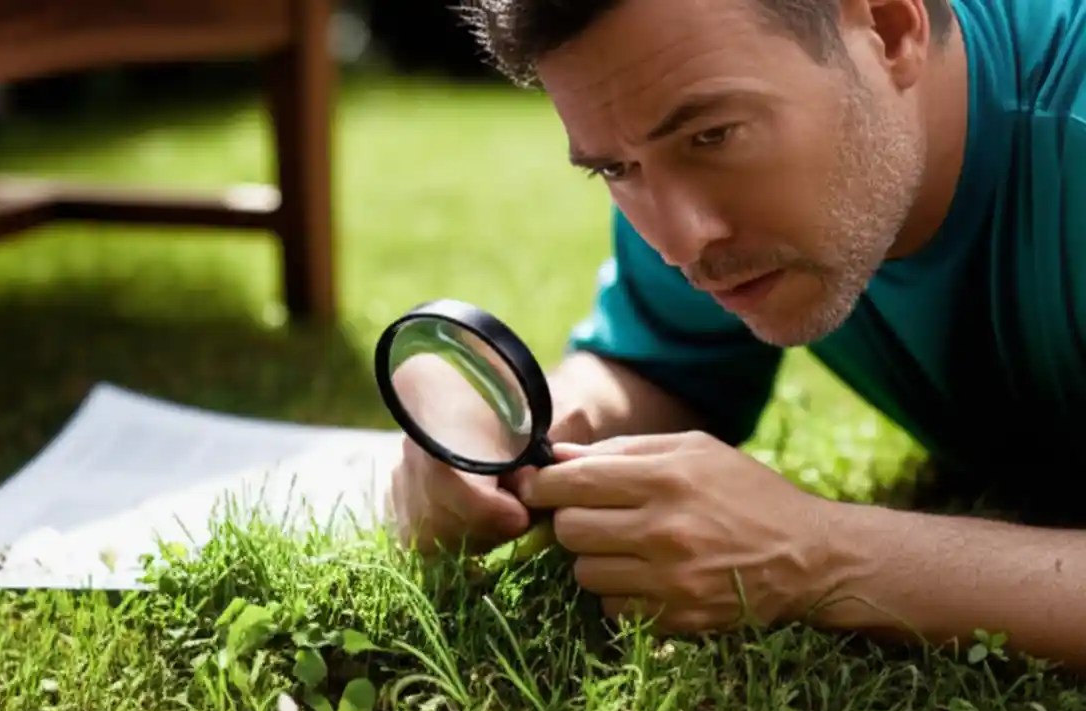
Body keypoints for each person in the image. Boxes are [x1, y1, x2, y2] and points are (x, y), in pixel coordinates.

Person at [386, 0, 1086, 671]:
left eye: (712, 136)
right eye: (614, 168)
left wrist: (823, 555)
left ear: (888, 29)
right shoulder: (689, 139)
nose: (679, 241)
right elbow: (658, 369)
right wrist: (509, 427)